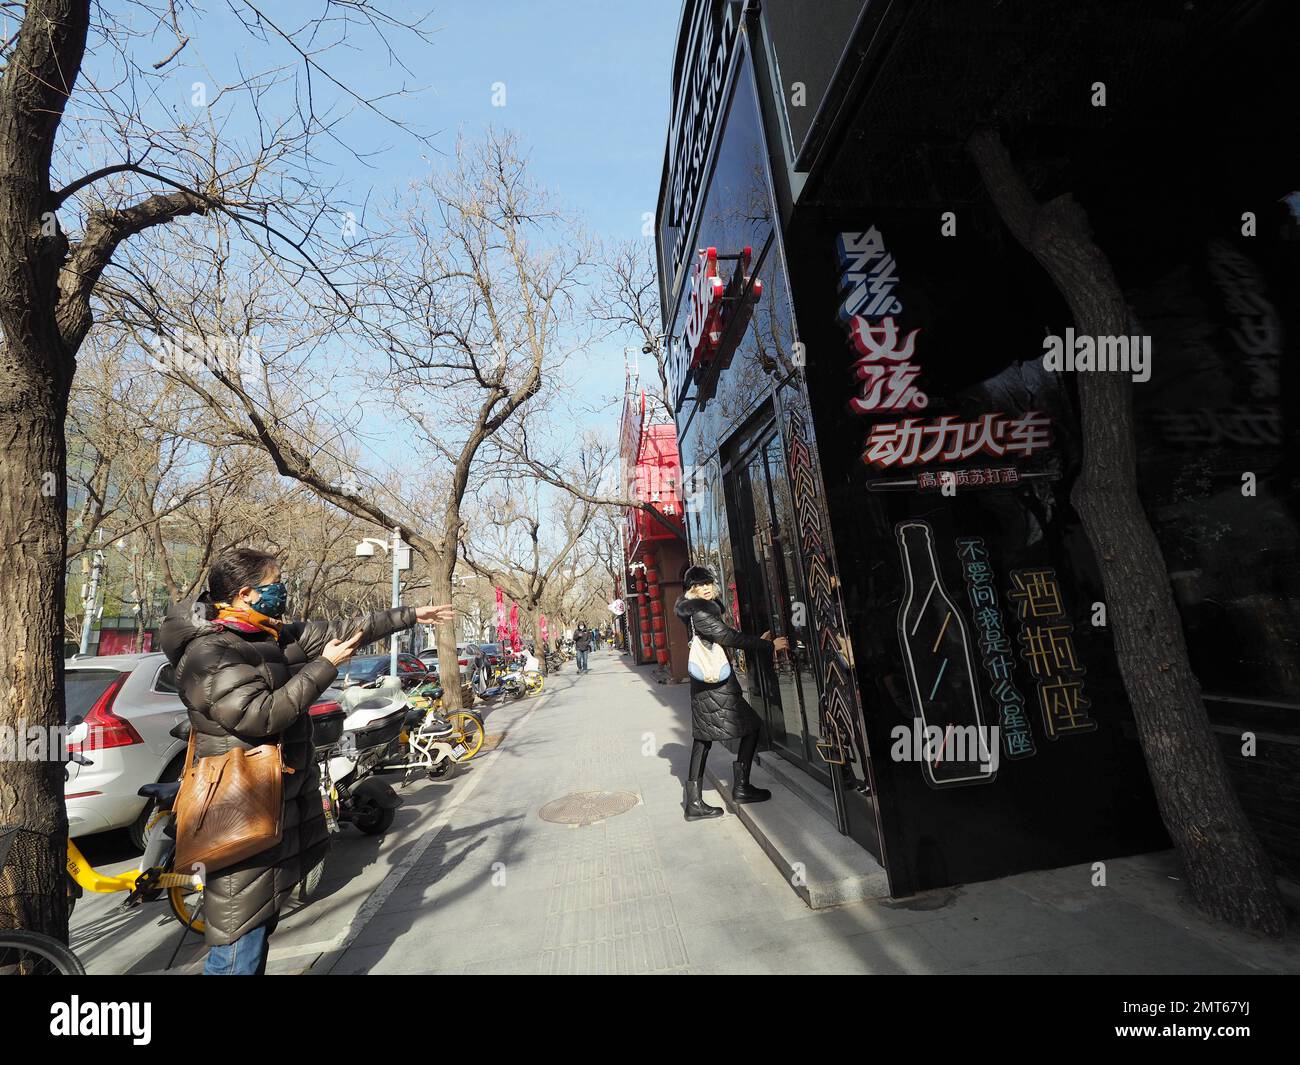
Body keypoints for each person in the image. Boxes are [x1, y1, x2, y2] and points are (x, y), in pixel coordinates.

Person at [159, 546, 453, 975]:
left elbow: (345, 627)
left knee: (257, 920)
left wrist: (408, 616)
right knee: (241, 932)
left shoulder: (268, 633)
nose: (283, 592)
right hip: (240, 804)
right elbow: (257, 715)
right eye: (275, 584)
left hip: (274, 798)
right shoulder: (210, 650)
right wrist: (326, 667)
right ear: (245, 593)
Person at [674, 564, 788, 821]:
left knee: (708, 740)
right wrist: (768, 646)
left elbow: (723, 639)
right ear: (691, 589)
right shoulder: (700, 614)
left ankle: (708, 797)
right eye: (698, 585)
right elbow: (729, 637)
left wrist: (758, 640)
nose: (705, 588)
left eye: (707, 584)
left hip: (710, 688)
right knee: (737, 731)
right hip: (715, 689)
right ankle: (731, 790)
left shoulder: (700, 612)